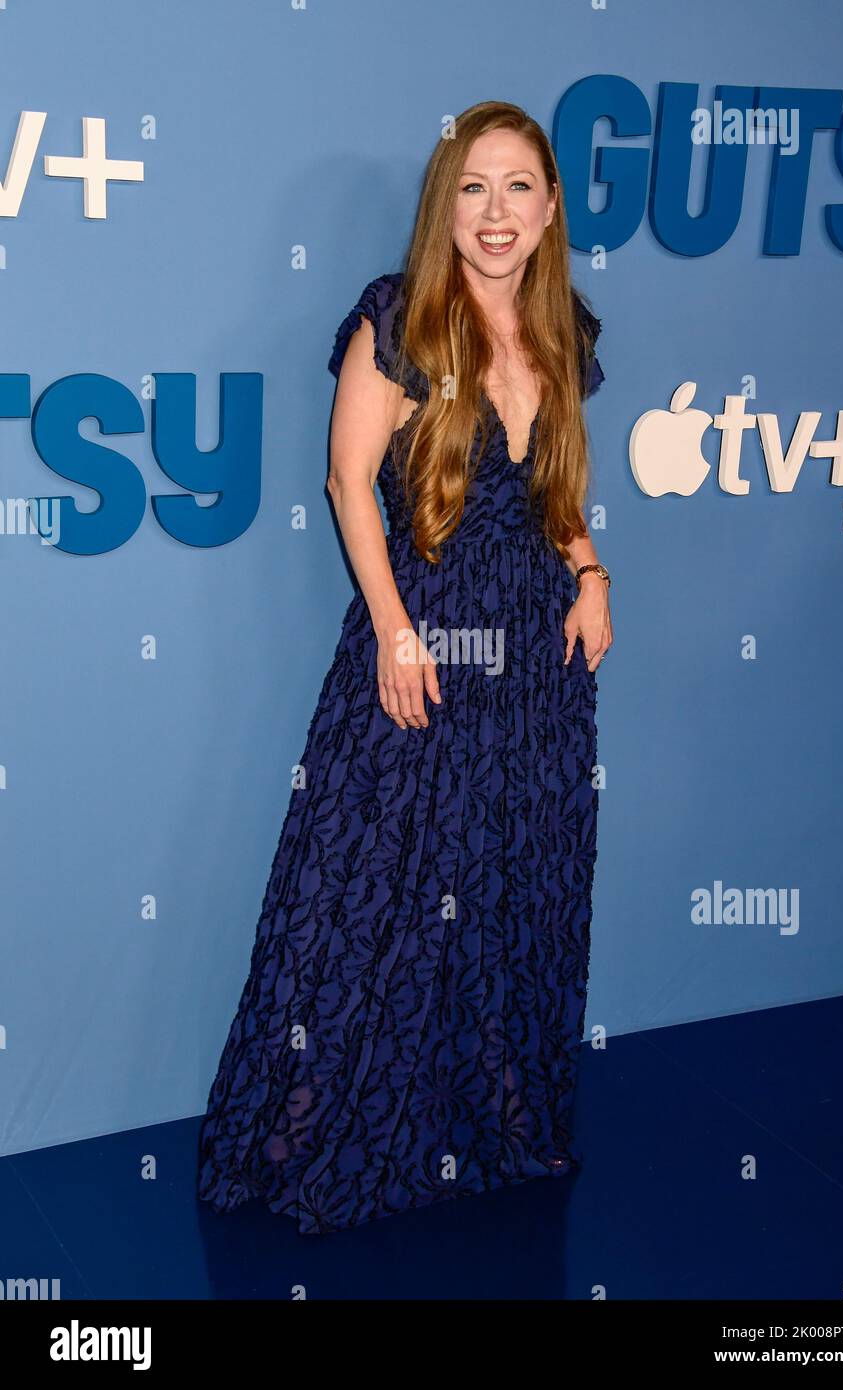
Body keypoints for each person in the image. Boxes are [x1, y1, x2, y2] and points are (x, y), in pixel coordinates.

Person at [196, 99, 613, 1236]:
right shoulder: (398, 318)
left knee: (503, 883)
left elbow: (554, 490)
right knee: (372, 888)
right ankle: (319, 1129)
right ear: (445, 203)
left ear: (547, 209)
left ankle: (486, 1118)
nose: (493, 212)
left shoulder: (563, 328)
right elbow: (348, 482)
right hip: (421, 644)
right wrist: (389, 629)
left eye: (516, 187)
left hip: (532, 661)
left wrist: (590, 576)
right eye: (472, 187)